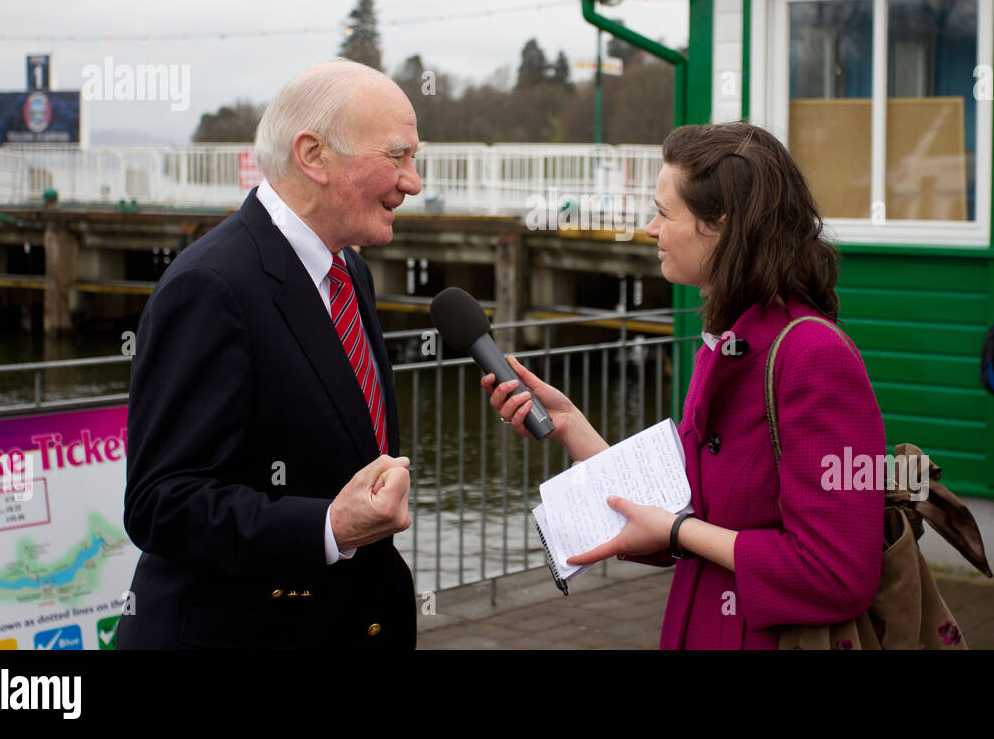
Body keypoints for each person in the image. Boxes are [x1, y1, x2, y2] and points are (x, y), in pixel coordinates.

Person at [483, 123, 885, 649]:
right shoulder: (725, 342)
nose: (650, 228)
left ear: (723, 226)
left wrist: (677, 534)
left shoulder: (814, 357)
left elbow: (837, 575)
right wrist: (574, 429)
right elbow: (682, 513)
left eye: (665, 213)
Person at [117, 60, 421, 649]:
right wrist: (328, 527)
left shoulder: (347, 268)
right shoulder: (209, 285)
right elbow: (161, 502)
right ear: (313, 156)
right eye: (397, 155)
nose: (412, 181)